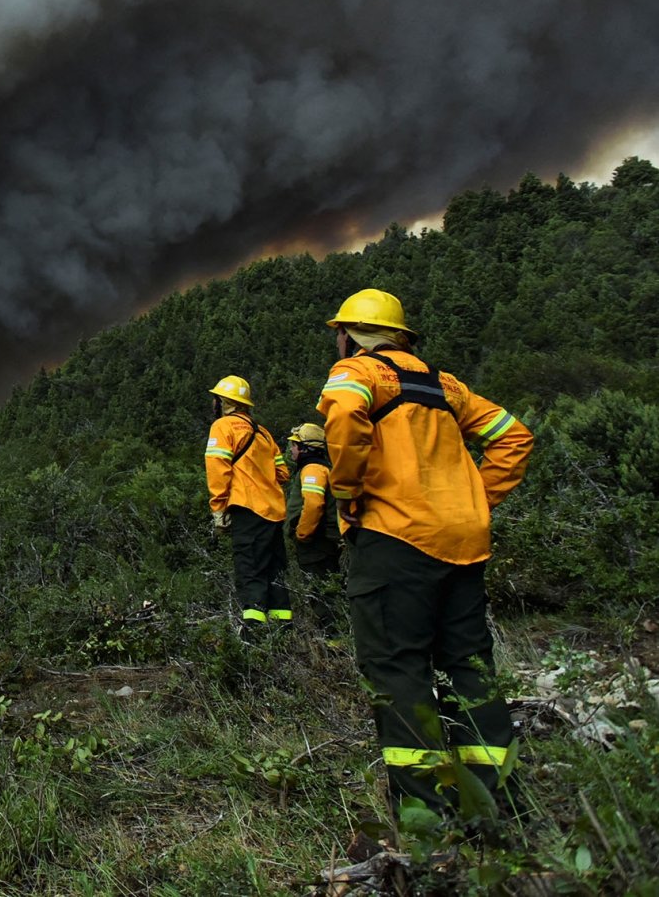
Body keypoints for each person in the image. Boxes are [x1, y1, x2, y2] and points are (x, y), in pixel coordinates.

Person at [316, 288, 534, 827]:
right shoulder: (446, 385)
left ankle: (427, 818)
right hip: (464, 544)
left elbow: (342, 413)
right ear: (401, 336)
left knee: (397, 670)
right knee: (470, 667)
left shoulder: (358, 374)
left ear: (351, 335)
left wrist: (347, 492)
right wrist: (477, 498)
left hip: (395, 540)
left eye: (339, 333)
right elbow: (514, 437)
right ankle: (497, 806)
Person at [204, 375, 292, 633]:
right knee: (275, 570)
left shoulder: (223, 427)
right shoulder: (262, 432)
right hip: (273, 512)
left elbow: (218, 469)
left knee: (249, 568)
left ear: (223, 402)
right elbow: (283, 473)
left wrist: (219, 510)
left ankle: (254, 632)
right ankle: (283, 628)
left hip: (247, 508)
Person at [287, 423, 345, 637]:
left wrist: (302, 535)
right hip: (324, 542)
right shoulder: (322, 467)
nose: (291, 449)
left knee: (321, 593)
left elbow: (313, 504)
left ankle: (334, 642)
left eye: (295, 445)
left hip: (316, 543)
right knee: (328, 589)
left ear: (306, 448)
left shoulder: (312, 469)